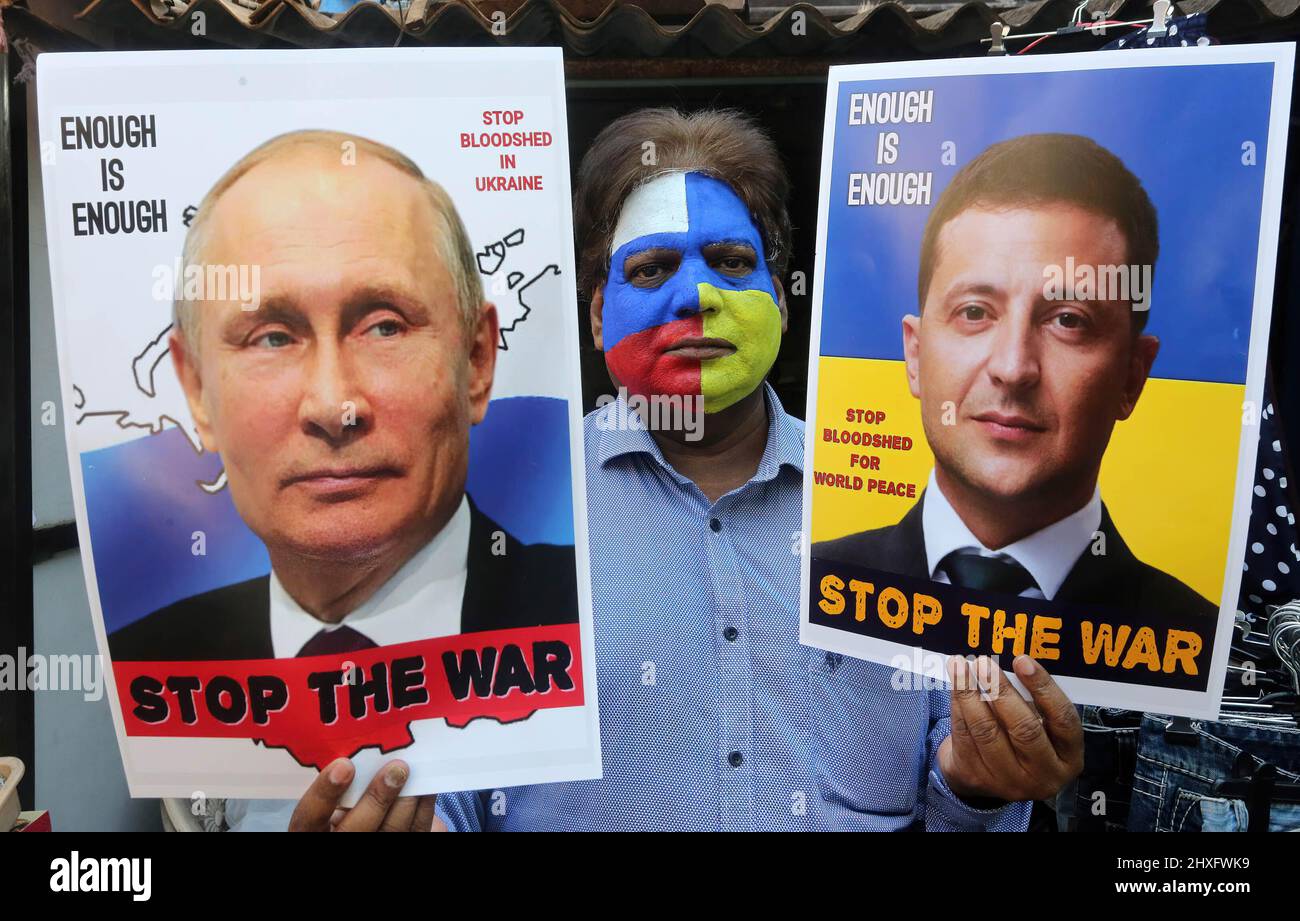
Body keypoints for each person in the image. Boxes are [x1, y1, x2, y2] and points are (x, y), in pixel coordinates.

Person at [286, 110, 1083, 833]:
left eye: (733, 263)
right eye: (651, 268)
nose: (696, 297)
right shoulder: (500, 514)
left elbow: (960, 778)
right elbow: (449, 784)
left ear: (779, 295)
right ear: (598, 314)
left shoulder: (909, 497)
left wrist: (980, 785)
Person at [108, 130, 577, 664]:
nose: (334, 408)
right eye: (274, 338)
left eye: (384, 328)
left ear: (476, 361)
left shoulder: (611, 629)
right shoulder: (145, 668)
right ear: (195, 389)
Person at [816, 134, 1216, 621]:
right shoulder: (812, 588)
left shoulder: (1198, 640)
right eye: (975, 311)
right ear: (915, 355)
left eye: (1068, 320)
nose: (1012, 368)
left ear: (1132, 377)